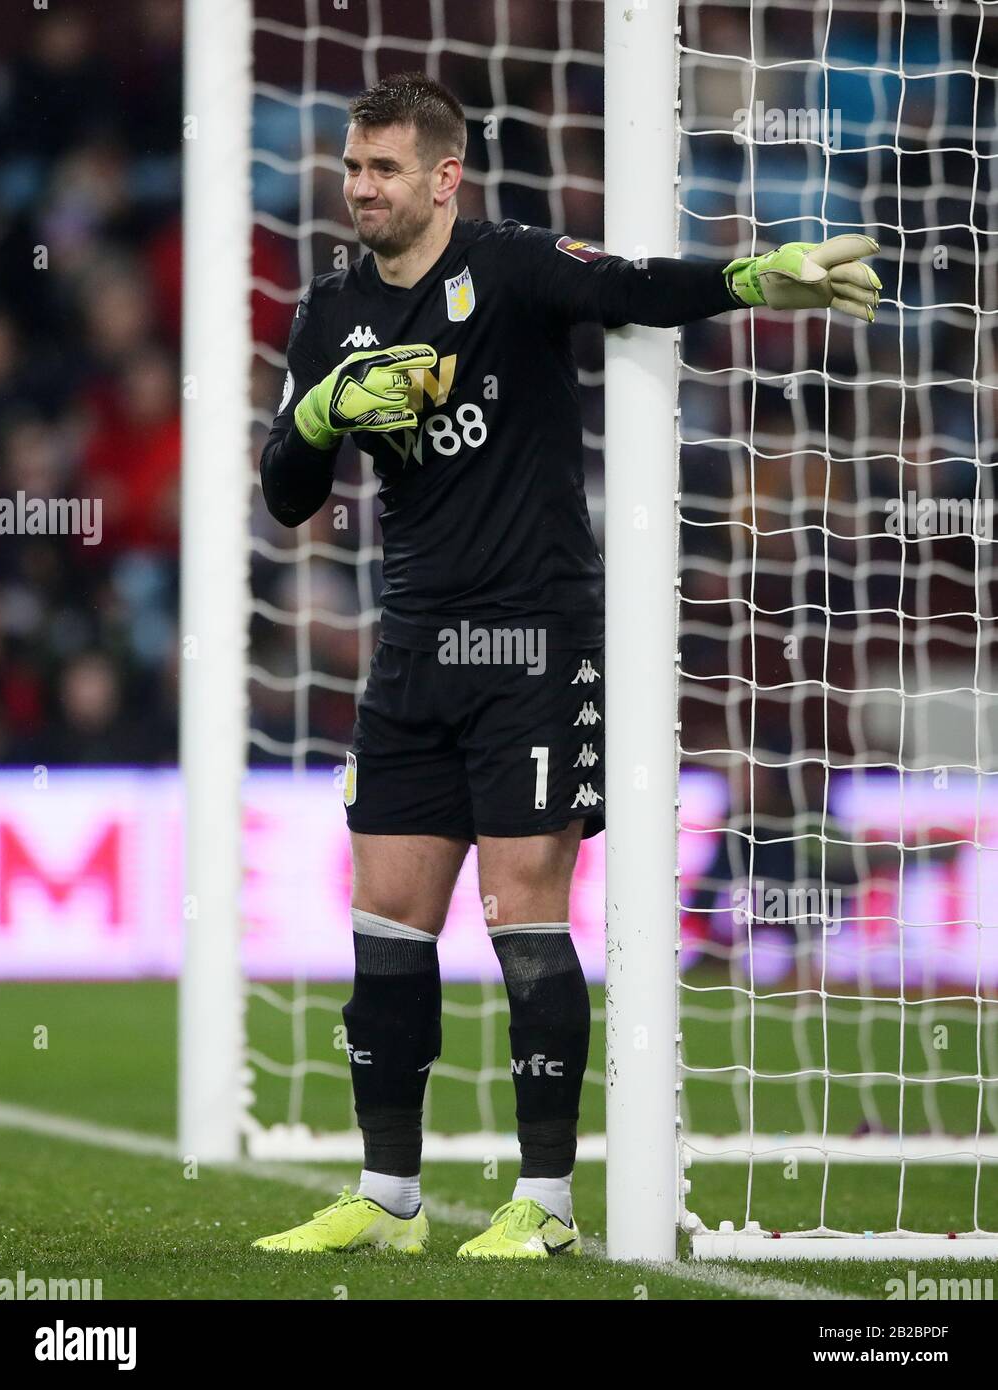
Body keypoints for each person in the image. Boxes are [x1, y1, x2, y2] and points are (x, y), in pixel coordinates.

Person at [253, 71, 880, 1259]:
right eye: (351, 166)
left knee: (522, 913)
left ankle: (542, 1202)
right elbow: (285, 494)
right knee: (384, 920)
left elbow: (635, 286)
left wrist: (754, 276)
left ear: (444, 177)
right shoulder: (329, 312)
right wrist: (325, 413)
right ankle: (386, 1194)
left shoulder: (512, 264)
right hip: (414, 642)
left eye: (383, 168)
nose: (358, 188)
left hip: (535, 640)